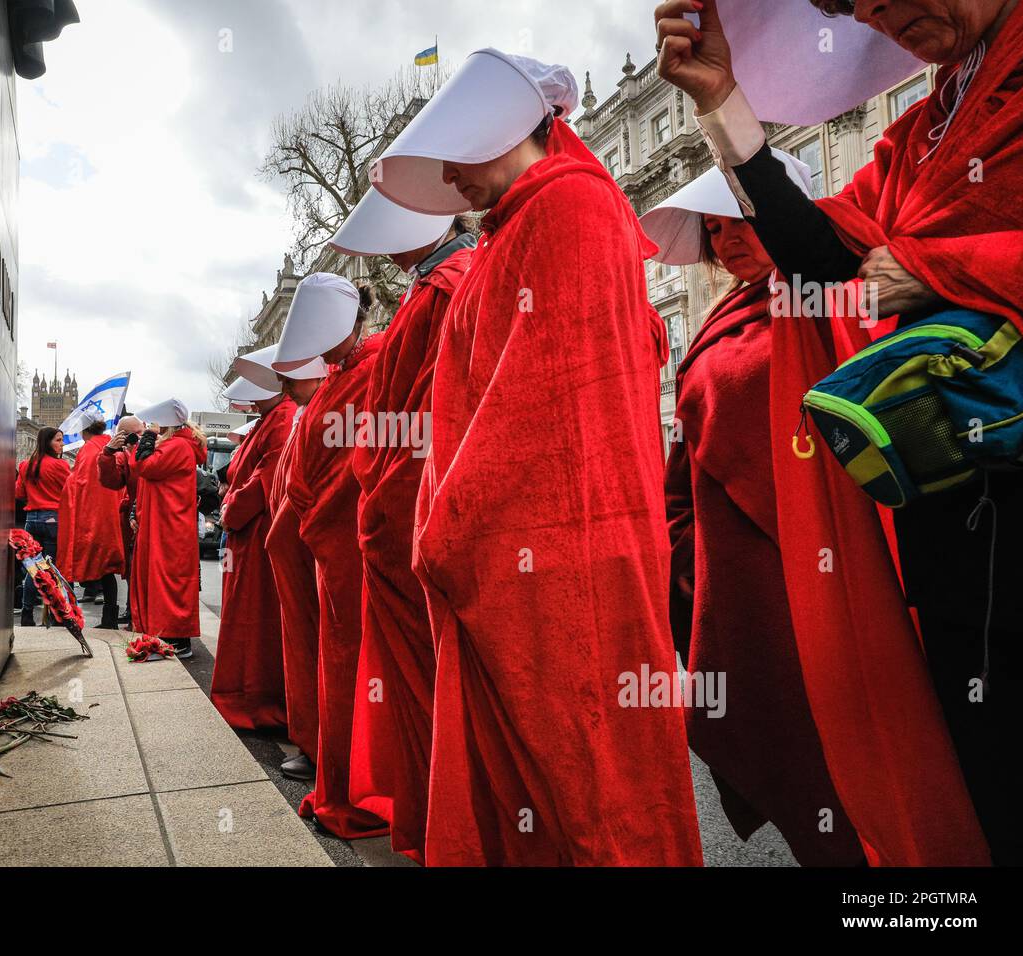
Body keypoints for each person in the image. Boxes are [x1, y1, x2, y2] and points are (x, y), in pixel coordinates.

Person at [655, 0, 1023, 865]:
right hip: (959, 518)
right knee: (982, 777)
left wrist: (936, 268)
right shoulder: (925, 128)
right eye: (865, 9)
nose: (891, 21)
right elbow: (830, 260)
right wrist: (721, 100)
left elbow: (899, 269)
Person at [371, 49, 703, 865]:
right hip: (519, 553)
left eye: (460, 149)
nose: (450, 177)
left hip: (551, 560)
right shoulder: (517, 228)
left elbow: (542, 410)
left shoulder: (571, 210)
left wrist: (447, 529)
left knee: (589, 791)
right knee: (544, 789)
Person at [643, 160, 863, 866]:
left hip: (830, 566)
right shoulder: (724, 316)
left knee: (856, 762)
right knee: (794, 751)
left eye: (739, 219)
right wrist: (687, 558)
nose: (725, 237)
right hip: (741, 581)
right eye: (713, 228)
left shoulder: (836, 292)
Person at [326, 188, 475, 863]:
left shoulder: (448, 285)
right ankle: (429, 825)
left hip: (409, 517)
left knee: (436, 693)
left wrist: (384, 508)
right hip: (392, 513)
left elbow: (431, 419)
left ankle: (448, 831)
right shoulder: (430, 285)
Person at [271, 274, 388, 840]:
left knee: (351, 661)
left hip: (345, 536)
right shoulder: (344, 372)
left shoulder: (369, 367)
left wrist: (315, 512)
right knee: (336, 658)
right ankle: (336, 771)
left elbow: (359, 459)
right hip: (324, 534)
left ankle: (353, 782)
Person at [237, 346, 330, 780]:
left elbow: (278, 477)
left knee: (322, 647)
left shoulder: (313, 408)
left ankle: (324, 748)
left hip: (313, 544)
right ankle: (316, 742)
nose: (282, 388)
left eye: (291, 378)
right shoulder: (297, 412)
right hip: (294, 541)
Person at [210, 377, 295, 729]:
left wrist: (230, 508)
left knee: (256, 614)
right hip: (250, 531)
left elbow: (265, 478)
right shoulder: (270, 418)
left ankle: (256, 696)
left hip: (258, 531)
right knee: (246, 613)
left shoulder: (280, 418)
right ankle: (246, 693)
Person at [130, 399, 208, 659]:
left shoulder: (177, 446)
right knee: (169, 580)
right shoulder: (181, 445)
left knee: (167, 581)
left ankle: (173, 639)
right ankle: (171, 636)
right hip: (168, 524)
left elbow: (145, 467)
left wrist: (148, 438)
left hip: (169, 526)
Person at [56, 418, 127, 628]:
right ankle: (110, 618)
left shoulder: (88, 450)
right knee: (106, 570)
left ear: (84, 432)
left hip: (90, 517)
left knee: (70, 567)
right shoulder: (108, 446)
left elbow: (80, 485)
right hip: (110, 516)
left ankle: (67, 615)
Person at [14, 426, 71, 627]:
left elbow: (19, 493)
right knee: (52, 569)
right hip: (53, 519)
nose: (62, 444)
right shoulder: (60, 466)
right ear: (48, 442)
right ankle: (57, 616)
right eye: (58, 440)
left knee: (34, 569)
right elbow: (71, 493)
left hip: (32, 519)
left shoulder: (25, 465)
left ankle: (26, 613)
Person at [97, 414, 145, 628]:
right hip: (134, 519)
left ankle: (140, 616)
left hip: (147, 516)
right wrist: (108, 452)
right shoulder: (123, 455)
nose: (135, 439)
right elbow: (112, 481)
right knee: (134, 568)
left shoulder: (157, 446)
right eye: (128, 436)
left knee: (143, 569)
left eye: (138, 433)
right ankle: (135, 614)